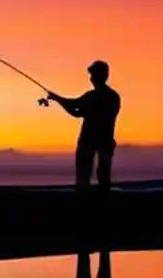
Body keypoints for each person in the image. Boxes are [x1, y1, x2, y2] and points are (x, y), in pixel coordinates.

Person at [46, 60, 120, 190]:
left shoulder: (110, 97)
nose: (92, 78)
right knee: (87, 177)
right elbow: (74, 107)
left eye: (94, 75)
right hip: (95, 141)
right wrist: (57, 98)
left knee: (98, 177)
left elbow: (76, 109)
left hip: (96, 141)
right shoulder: (96, 96)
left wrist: (58, 99)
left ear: (104, 76)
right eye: (91, 75)